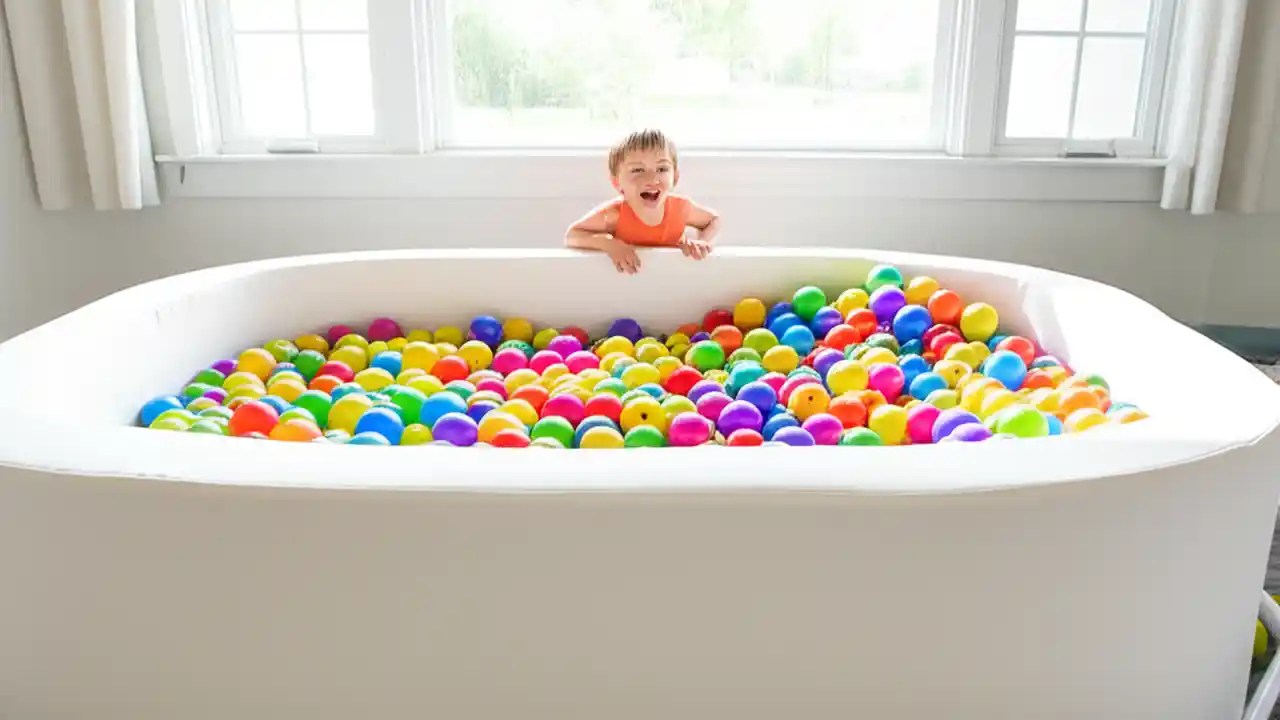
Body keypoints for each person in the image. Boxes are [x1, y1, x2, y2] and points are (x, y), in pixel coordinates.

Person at [564, 129, 720, 274]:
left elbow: (713, 220)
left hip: (670, 280)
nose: (652, 179)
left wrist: (701, 242)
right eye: (638, 170)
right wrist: (608, 243)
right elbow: (572, 236)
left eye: (662, 169)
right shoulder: (615, 214)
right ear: (617, 183)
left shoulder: (681, 209)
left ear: (675, 177)